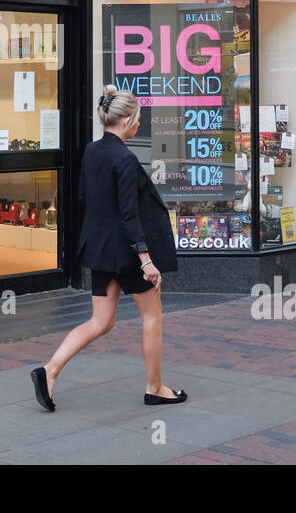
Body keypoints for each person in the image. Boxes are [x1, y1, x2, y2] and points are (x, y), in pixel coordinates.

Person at [30, 86, 185, 412]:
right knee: (152, 317)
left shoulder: (92, 151)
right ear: (126, 119)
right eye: (139, 118)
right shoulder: (125, 159)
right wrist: (147, 261)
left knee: (101, 321)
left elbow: (86, 199)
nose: (140, 124)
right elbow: (129, 215)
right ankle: (155, 388)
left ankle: (50, 370)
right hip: (127, 253)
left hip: (100, 249)